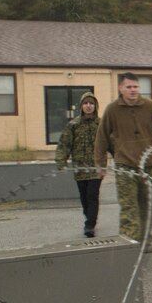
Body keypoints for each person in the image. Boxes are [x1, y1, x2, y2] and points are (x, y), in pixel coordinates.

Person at [94, 72, 152, 249]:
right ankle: (129, 245)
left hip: (148, 166)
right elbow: (101, 138)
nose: (133, 90)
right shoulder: (112, 110)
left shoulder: (150, 107)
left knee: (146, 205)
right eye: (129, 87)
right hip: (124, 166)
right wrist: (100, 164)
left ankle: (145, 241)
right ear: (121, 88)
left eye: (135, 87)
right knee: (129, 207)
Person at [55, 92, 103, 237]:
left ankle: (90, 225)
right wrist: (61, 161)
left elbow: (110, 142)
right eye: (86, 103)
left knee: (92, 195)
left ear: (95, 106)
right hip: (80, 168)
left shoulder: (101, 124)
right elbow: (64, 144)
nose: (88, 106)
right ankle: (88, 217)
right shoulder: (73, 125)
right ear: (81, 106)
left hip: (96, 167)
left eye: (91, 103)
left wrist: (119, 158)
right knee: (84, 197)